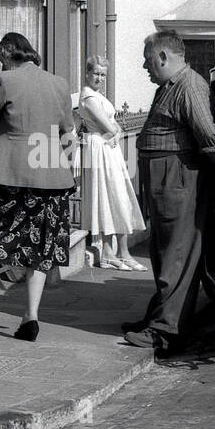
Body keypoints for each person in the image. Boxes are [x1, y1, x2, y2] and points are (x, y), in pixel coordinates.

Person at [0, 31, 77, 343]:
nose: (0, 63)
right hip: (51, 176)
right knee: (41, 248)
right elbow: (66, 131)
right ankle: (30, 318)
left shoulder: (5, 80)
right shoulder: (59, 83)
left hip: (11, 174)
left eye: (0, 57)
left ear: (9, 53)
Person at [122, 30, 215, 354]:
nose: (145, 66)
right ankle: (159, 317)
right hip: (167, 179)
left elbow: (208, 134)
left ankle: (164, 330)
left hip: (177, 178)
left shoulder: (189, 85)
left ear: (163, 57)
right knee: (164, 251)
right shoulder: (171, 85)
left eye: (149, 60)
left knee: (175, 253)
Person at [76, 56, 147, 271]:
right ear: (87, 73)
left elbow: (116, 127)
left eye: (103, 74)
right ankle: (110, 253)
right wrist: (115, 131)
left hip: (108, 149)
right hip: (99, 148)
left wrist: (115, 131)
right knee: (109, 196)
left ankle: (121, 252)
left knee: (120, 197)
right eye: (96, 73)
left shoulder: (98, 96)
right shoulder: (88, 97)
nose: (99, 78)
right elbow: (108, 125)